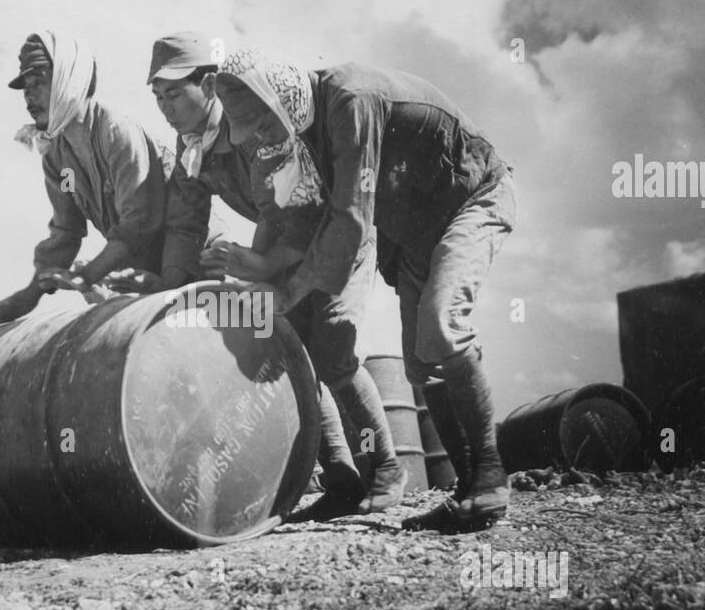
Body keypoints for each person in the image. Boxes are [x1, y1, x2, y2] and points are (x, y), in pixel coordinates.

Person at [213, 50, 517, 533]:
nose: (262, 139)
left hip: (472, 198)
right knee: (420, 365)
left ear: (282, 96)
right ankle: (469, 491)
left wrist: (287, 294)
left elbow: (350, 218)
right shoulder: (305, 132)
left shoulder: (350, 102)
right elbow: (307, 215)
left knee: (441, 322)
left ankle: (490, 473)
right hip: (416, 233)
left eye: (265, 125)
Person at [144, 31, 395, 521]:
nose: (165, 108)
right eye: (158, 97)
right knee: (288, 351)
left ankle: (385, 466)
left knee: (333, 344)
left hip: (333, 230)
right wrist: (173, 290)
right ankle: (340, 475)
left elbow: (286, 209)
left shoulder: (250, 116)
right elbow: (186, 222)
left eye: (174, 93)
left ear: (209, 86)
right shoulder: (192, 144)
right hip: (283, 243)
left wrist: (259, 265)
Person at [0, 31, 170, 324]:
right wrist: (30, 295)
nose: (29, 97)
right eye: (26, 88)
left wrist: (88, 275)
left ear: (68, 79)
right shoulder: (58, 157)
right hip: (140, 277)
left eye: (39, 82)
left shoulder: (116, 133)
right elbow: (67, 230)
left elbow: (138, 225)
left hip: (188, 266)